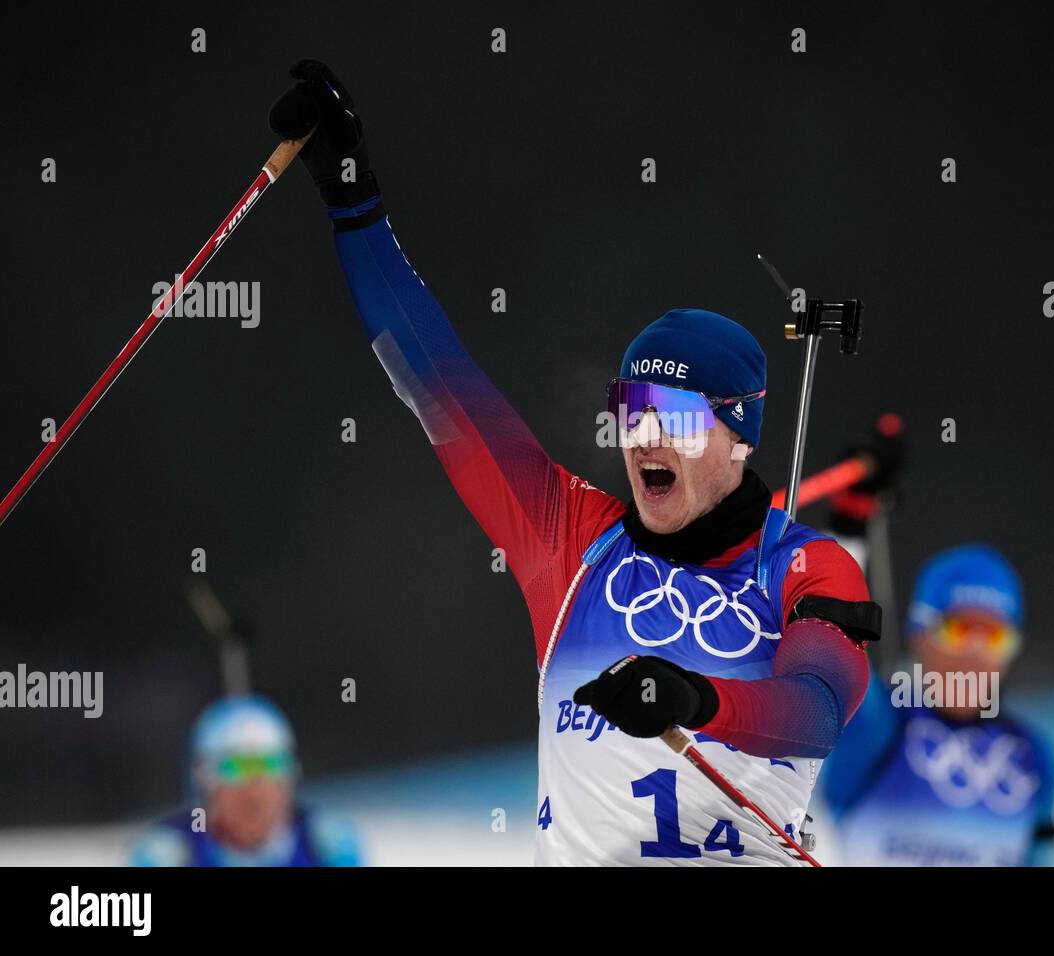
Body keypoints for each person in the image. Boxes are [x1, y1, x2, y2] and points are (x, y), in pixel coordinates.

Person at [267, 60, 881, 865]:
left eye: (677, 419)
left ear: (741, 436)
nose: (646, 440)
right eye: (632, 412)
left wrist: (693, 698)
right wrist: (353, 200)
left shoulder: (807, 565)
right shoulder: (569, 539)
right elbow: (434, 378)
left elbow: (816, 710)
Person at [821, 544, 1054, 866]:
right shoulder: (882, 725)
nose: (975, 653)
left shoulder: (1031, 754)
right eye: (959, 630)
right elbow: (830, 630)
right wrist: (849, 529)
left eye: (994, 636)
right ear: (920, 635)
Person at [130, 695, 361, 866]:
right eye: (234, 770)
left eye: (270, 768)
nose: (254, 792)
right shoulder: (170, 855)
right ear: (205, 784)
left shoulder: (326, 846)